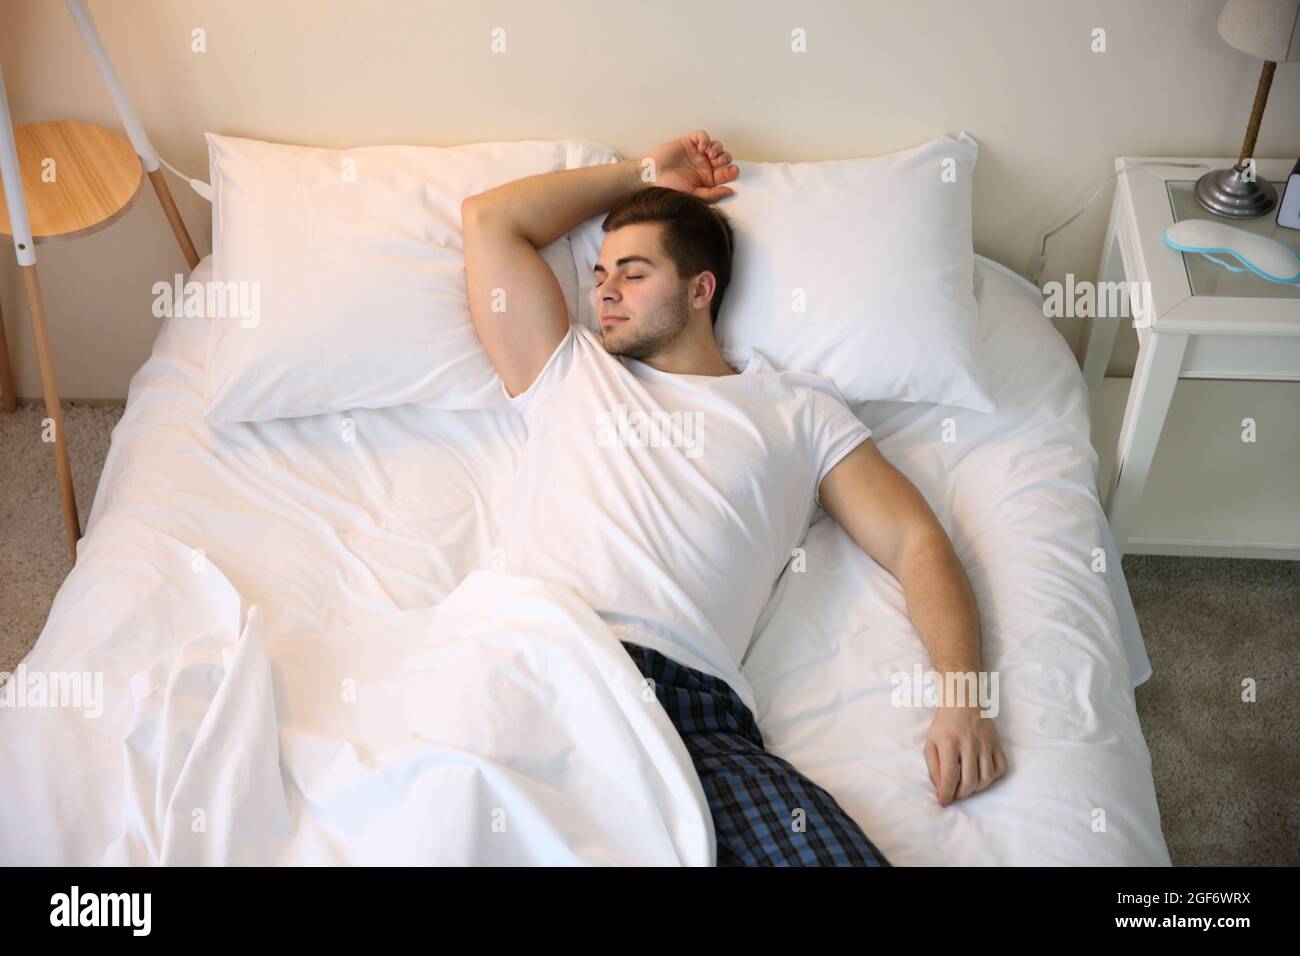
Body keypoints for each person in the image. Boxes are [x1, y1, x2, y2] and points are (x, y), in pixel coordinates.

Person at [462, 130, 1007, 866]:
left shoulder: (797, 412)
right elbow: (490, 221)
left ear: (700, 290)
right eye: (598, 275)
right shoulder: (568, 370)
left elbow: (916, 543)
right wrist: (646, 173)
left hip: (696, 714)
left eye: (632, 271)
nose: (604, 292)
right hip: (540, 665)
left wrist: (963, 698)